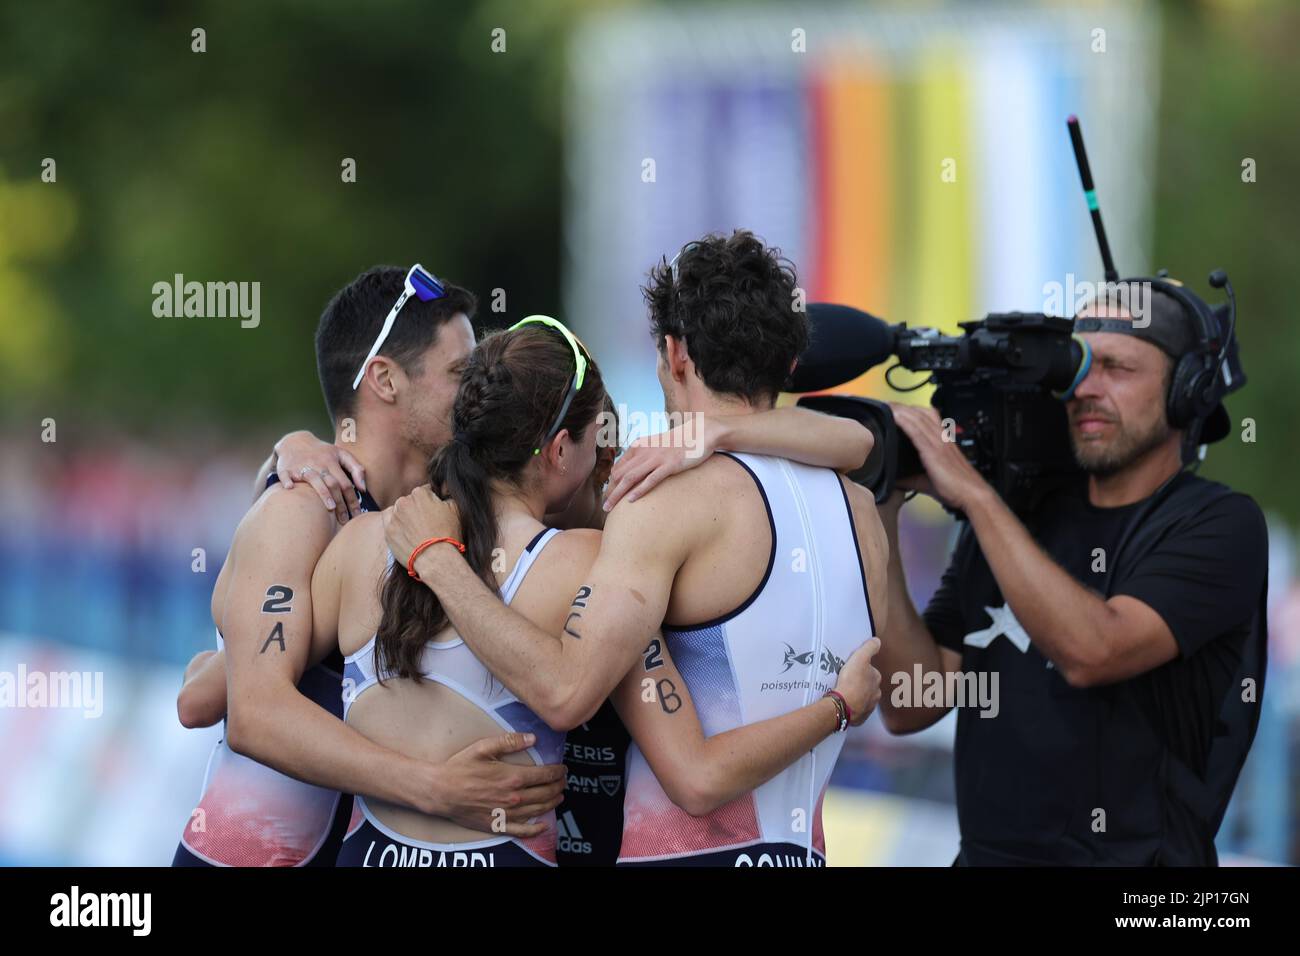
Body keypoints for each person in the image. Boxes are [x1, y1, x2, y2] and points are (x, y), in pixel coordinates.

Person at [384, 231, 890, 866]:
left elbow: (590, 708)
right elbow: (860, 444)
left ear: (675, 355)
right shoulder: (864, 513)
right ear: (788, 363)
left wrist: (436, 560)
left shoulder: (658, 504)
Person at [172, 265, 566, 866]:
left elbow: (210, 687)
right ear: (384, 380)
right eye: (460, 373)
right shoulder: (303, 508)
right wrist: (433, 788)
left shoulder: (429, 511)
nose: (477, 392)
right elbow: (252, 716)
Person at [875, 281, 1268, 865]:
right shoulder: (1019, 516)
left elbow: (1095, 649)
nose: (1085, 387)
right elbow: (911, 704)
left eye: (1116, 367)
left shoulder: (1220, 523)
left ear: (1189, 391)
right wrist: (881, 511)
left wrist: (978, 500)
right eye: (1077, 366)